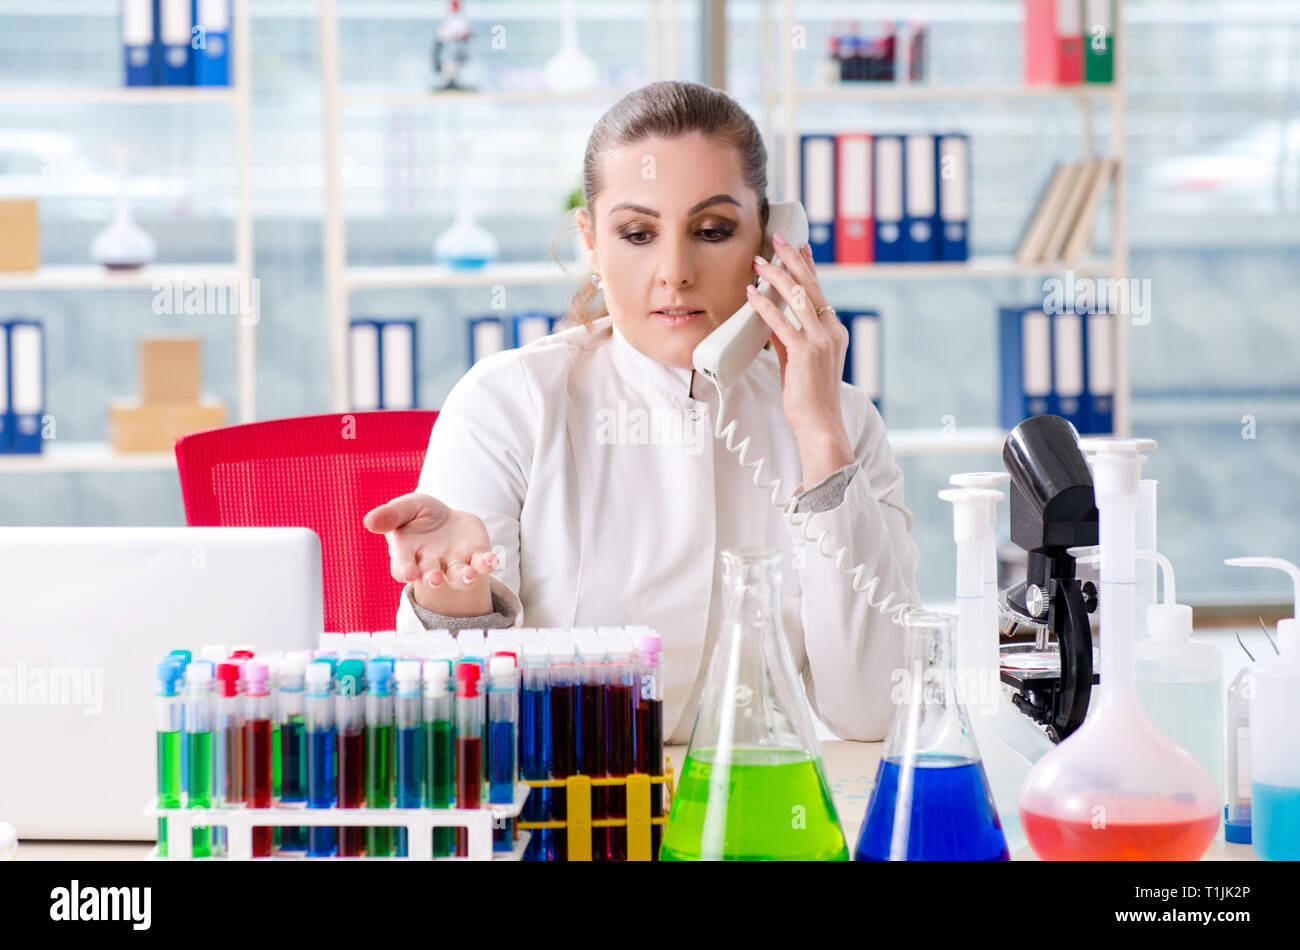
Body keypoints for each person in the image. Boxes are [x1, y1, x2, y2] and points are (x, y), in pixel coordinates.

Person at [363, 80, 921, 744]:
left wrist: (821, 437)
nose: (675, 270)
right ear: (591, 243)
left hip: (743, 811)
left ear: (770, 243)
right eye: (637, 232)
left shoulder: (843, 420)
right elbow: (459, 733)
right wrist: (456, 597)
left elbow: (873, 712)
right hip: (573, 806)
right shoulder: (506, 404)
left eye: (713, 231)